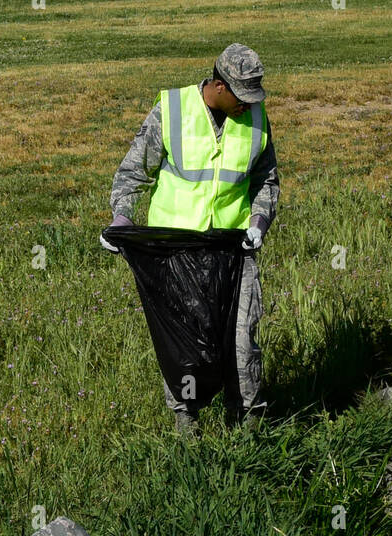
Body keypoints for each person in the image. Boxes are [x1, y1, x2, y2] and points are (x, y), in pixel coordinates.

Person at [102, 43, 279, 433]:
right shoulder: (172, 111)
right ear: (218, 85)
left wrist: (260, 220)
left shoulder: (255, 117)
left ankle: (248, 422)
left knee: (240, 336)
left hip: (233, 247)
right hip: (177, 251)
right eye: (241, 97)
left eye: (254, 98)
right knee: (184, 340)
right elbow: (133, 173)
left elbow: (266, 179)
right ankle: (187, 422)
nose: (247, 106)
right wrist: (121, 219)